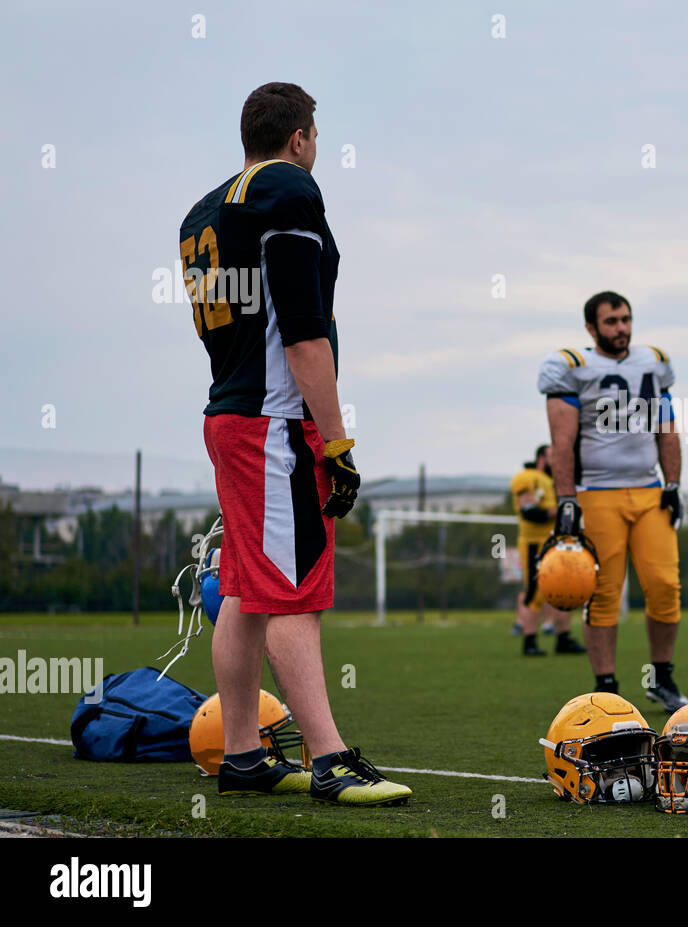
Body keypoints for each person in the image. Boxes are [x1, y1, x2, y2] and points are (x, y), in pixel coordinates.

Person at [180, 82, 410, 805]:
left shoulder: (202, 210)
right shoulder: (287, 187)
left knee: (247, 589)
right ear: (302, 137)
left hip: (230, 410)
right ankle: (330, 758)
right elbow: (304, 330)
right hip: (275, 420)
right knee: (292, 590)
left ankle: (244, 753)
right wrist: (335, 441)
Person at [537, 291, 688, 711]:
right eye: (611, 321)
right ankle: (606, 685)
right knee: (603, 592)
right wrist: (566, 498)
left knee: (665, 586)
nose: (621, 328)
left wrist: (673, 483)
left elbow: (667, 428)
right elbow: (561, 442)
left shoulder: (654, 360)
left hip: (649, 490)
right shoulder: (570, 366)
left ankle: (661, 677)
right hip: (598, 493)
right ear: (591, 328)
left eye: (625, 319)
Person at [510, 444, 586, 656]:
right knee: (534, 592)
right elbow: (530, 512)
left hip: (559, 543)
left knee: (565, 591)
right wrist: (562, 511)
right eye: (553, 454)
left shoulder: (556, 481)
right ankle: (530, 641)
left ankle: (563, 638)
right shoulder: (527, 477)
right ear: (542, 457)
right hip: (536, 543)